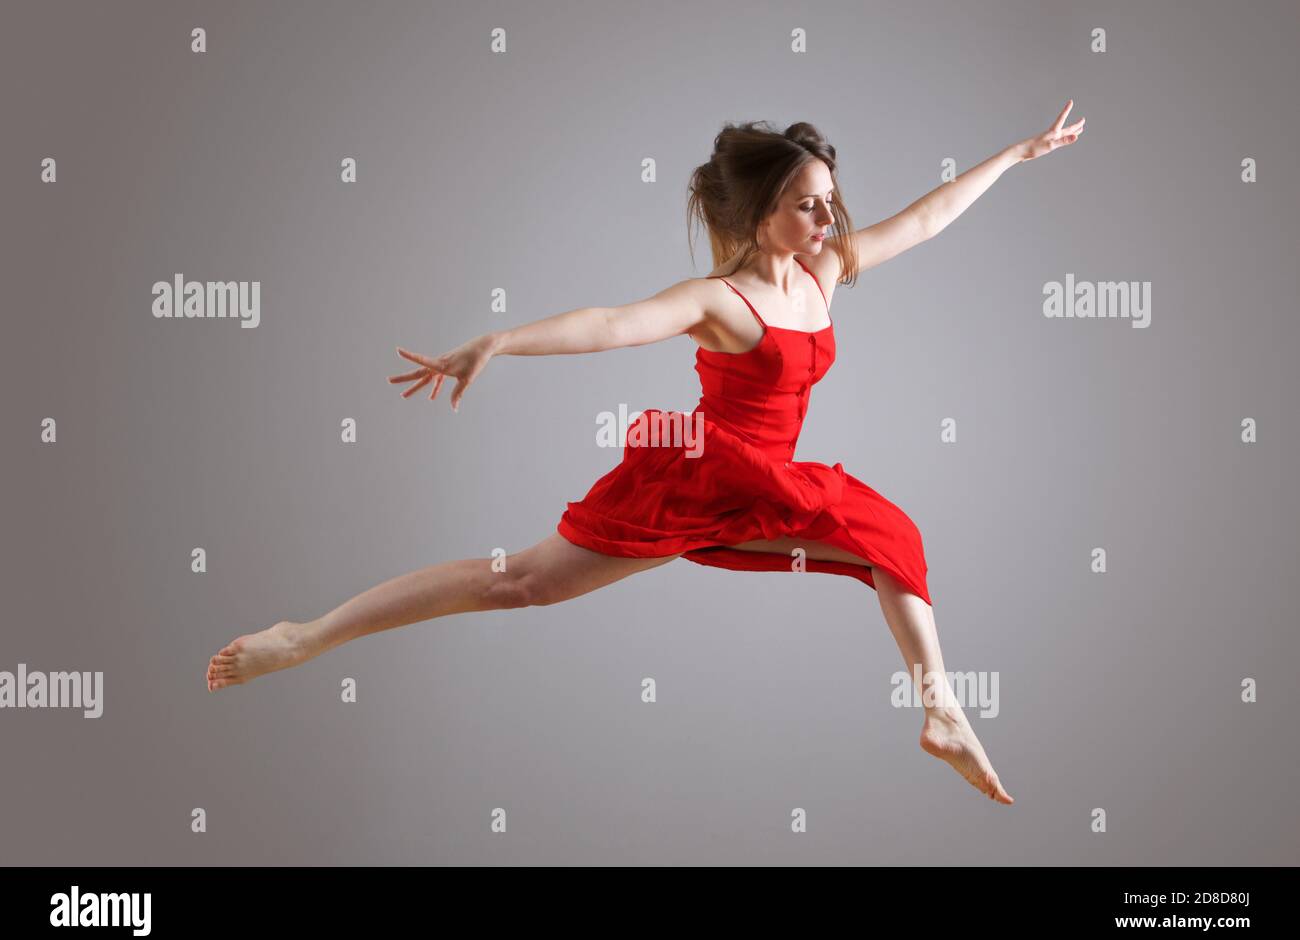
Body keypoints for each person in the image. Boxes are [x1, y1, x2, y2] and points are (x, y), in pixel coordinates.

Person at [208, 104, 1086, 804]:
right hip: (701, 471)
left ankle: (941, 714)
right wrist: (500, 341)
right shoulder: (721, 299)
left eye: (829, 199)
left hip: (763, 483)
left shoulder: (825, 270)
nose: (827, 217)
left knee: (892, 538)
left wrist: (1015, 155)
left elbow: (926, 219)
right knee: (517, 583)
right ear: (761, 213)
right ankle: (302, 638)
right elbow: (610, 324)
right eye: (806, 204)